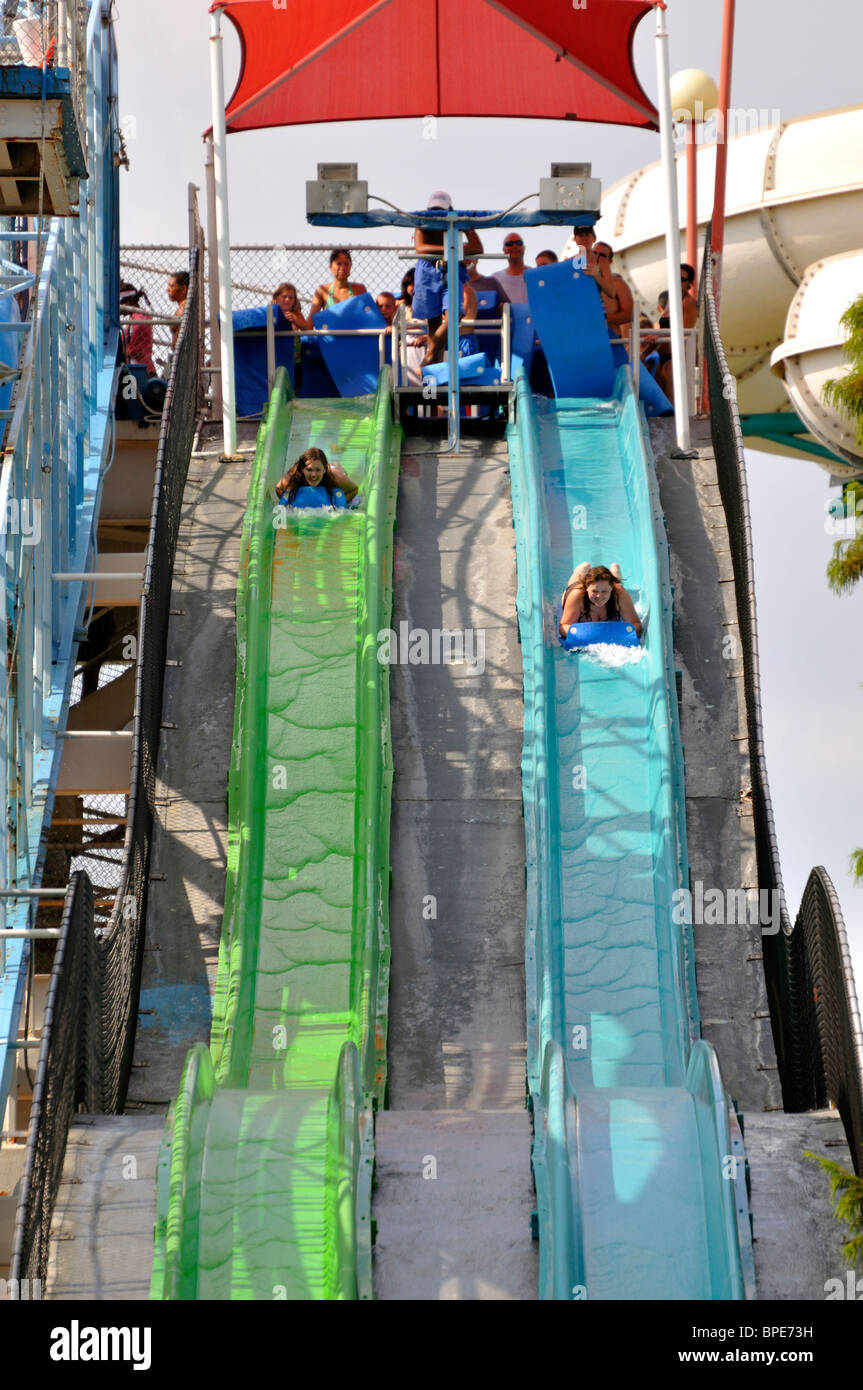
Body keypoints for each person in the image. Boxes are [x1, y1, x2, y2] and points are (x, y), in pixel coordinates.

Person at [412, 192, 483, 364]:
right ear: (428, 209)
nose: (437, 214)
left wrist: (451, 251)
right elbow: (420, 249)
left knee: (453, 317)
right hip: (428, 271)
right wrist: (452, 248)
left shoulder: (459, 220)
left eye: (441, 210)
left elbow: (477, 247)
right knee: (434, 322)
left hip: (452, 269)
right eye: (434, 210)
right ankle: (432, 377)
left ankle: (429, 356)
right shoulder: (422, 221)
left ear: (450, 210)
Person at [559, 562, 642, 640]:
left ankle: (615, 572)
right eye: (594, 591)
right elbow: (564, 626)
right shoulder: (577, 596)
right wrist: (582, 636)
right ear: (587, 588)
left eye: (604, 592)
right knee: (575, 582)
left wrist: (619, 635)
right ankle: (580, 571)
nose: (599, 596)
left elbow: (636, 625)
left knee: (616, 581)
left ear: (611, 588)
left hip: (613, 587)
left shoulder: (619, 594)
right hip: (574, 589)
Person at [275, 447, 349, 509]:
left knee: (338, 469)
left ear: (324, 470)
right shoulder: (294, 475)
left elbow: (353, 490)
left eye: (318, 470)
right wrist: (289, 500)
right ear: (302, 469)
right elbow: (279, 488)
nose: (313, 475)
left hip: (333, 470)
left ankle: (336, 465)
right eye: (309, 470)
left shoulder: (334, 476)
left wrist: (340, 501)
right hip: (304, 468)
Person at [593, 242, 634, 344]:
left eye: (602, 255)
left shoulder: (618, 283)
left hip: (611, 340)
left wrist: (604, 320)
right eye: (594, 253)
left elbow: (629, 314)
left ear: (610, 261)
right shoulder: (581, 281)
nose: (597, 257)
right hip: (588, 340)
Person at [308, 249, 366, 318]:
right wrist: (295, 317)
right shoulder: (322, 290)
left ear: (350, 266)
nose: (343, 268)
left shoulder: (359, 290)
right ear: (331, 267)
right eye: (339, 264)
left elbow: (369, 319)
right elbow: (310, 323)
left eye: (346, 264)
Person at [119, 281, 155, 375]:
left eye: (120, 304)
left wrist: (123, 352)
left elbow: (134, 350)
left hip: (139, 370)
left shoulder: (138, 319)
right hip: (138, 368)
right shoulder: (137, 317)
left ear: (128, 302)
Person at [492, 233, 528, 304]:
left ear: (524, 248)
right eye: (510, 243)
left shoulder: (534, 275)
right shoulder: (495, 278)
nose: (515, 246)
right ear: (504, 250)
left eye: (519, 243)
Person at [167, 270, 189, 348]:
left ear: (183, 289)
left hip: (183, 354)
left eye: (172, 286)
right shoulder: (183, 306)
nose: (167, 289)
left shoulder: (184, 308)